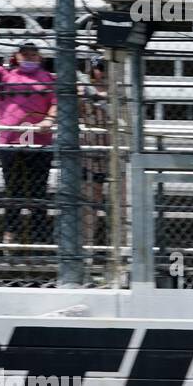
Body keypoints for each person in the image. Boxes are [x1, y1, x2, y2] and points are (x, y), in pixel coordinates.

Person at [0, 26, 56, 247]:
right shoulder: (4, 75)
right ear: (16, 55)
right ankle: (11, 234)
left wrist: (49, 120)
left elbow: (56, 104)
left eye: (32, 53)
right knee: (13, 190)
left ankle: (40, 239)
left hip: (39, 141)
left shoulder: (49, 78)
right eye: (24, 53)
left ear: (39, 56)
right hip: (11, 142)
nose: (29, 57)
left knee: (38, 191)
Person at [79, 55, 110, 249]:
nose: (101, 72)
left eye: (104, 67)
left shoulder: (120, 87)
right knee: (90, 203)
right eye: (98, 68)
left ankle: (116, 249)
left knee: (118, 206)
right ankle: (87, 247)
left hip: (114, 153)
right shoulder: (84, 89)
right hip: (91, 153)